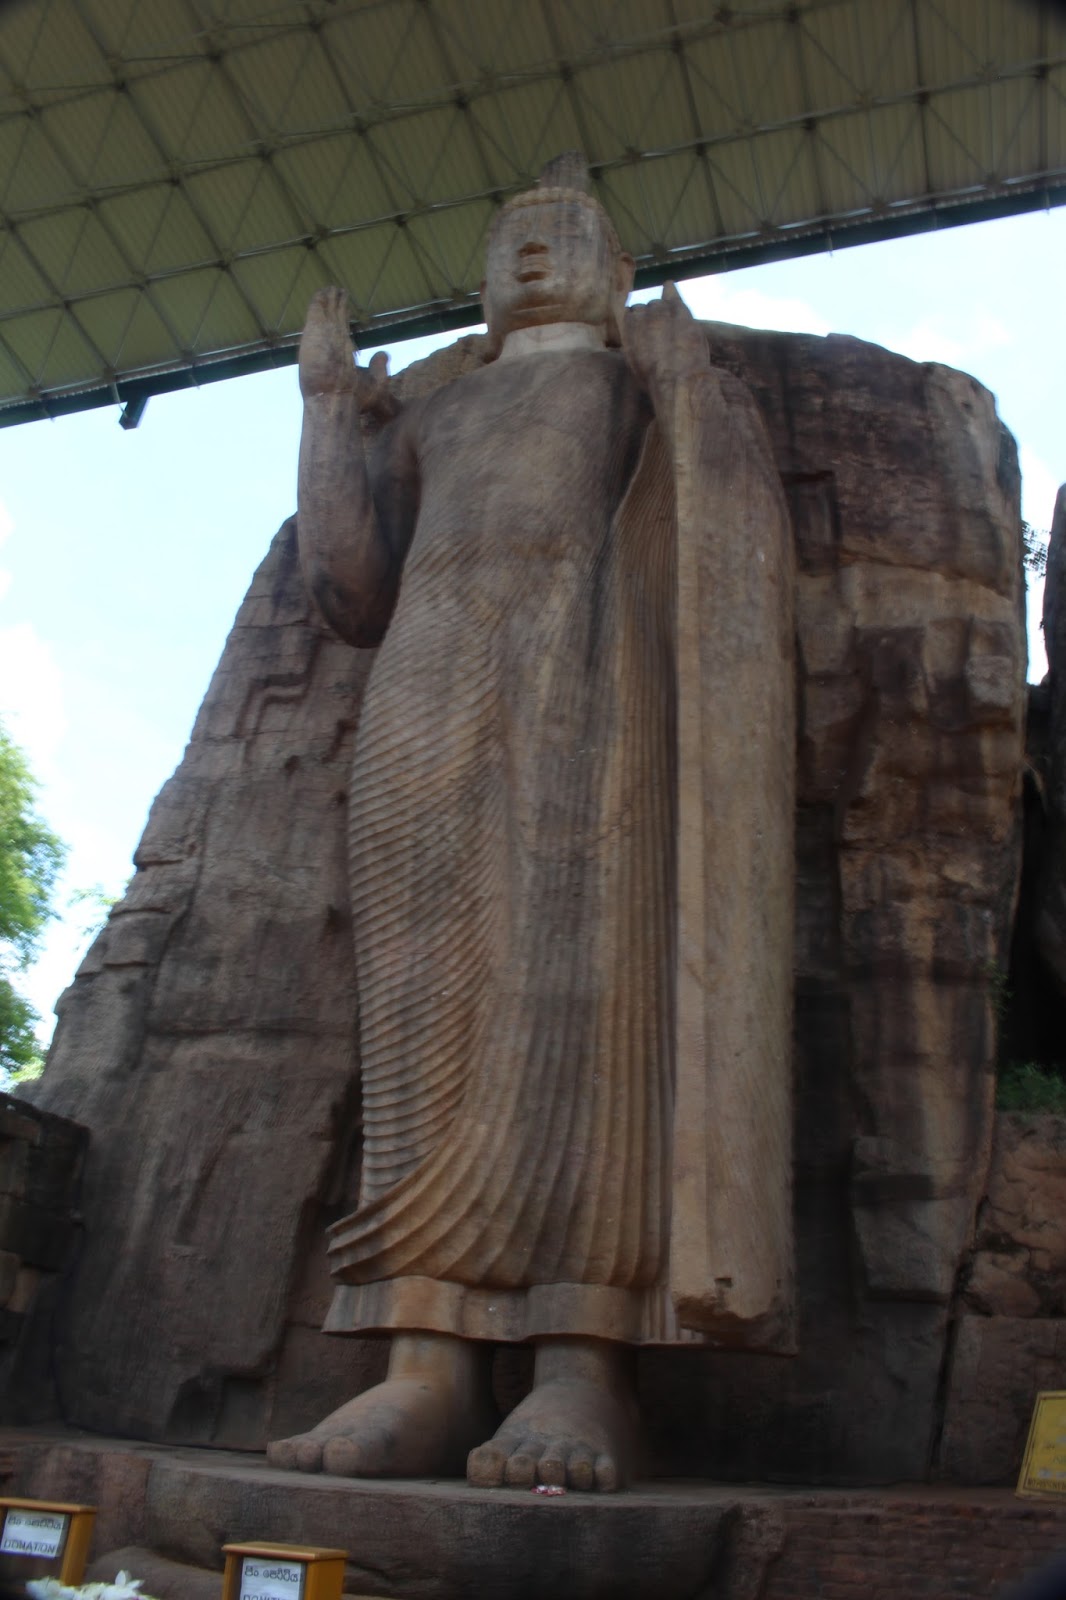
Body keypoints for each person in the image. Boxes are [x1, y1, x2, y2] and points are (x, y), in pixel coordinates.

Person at [268, 154, 793, 1491]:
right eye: (510, 240)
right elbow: (348, 588)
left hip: (588, 691)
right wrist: (330, 412)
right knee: (415, 1016)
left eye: (564, 236)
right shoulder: (435, 407)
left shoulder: (632, 381)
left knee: (583, 1008)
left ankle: (580, 1366)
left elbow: (713, 542)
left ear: (614, 272)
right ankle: (423, 1370)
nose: (533, 256)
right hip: (425, 687)